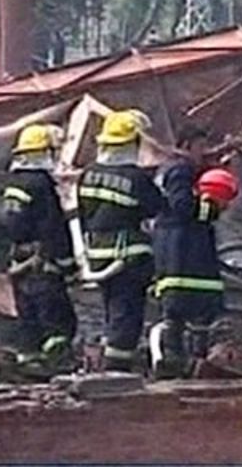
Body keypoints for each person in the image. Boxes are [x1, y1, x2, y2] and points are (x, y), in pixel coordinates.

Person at [77, 111, 163, 373]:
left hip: (97, 255)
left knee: (111, 310)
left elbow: (84, 214)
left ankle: (106, 359)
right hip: (128, 256)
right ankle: (117, 368)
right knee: (126, 313)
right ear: (133, 143)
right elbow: (156, 207)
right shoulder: (136, 178)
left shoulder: (88, 173)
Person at [151, 125, 228, 380]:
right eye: (200, 147)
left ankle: (177, 362)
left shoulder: (170, 169)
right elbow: (182, 206)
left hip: (174, 248)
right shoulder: (181, 170)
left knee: (176, 310)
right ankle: (189, 360)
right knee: (195, 308)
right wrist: (212, 207)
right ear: (186, 145)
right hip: (185, 250)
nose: (203, 152)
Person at [3, 123, 78, 374]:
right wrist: (68, 265)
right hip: (42, 263)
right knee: (57, 319)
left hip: (20, 261)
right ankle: (60, 362)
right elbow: (53, 228)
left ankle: (29, 364)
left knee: (28, 317)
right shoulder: (41, 184)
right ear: (44, 152)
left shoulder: (14, 183)